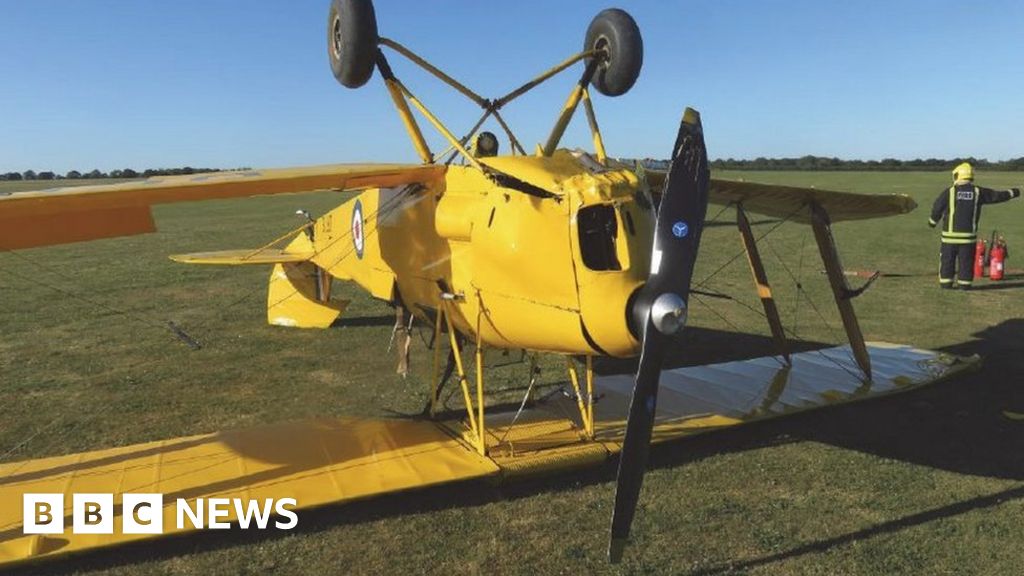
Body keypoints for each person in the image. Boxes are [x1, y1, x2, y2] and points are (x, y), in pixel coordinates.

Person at [928, 162, 1020, 289]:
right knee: (966, 262)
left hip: (949, 238)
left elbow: (937, 207)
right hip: (968, 239)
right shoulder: (978, 192)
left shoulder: (949, 192)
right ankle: (964, 284)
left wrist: (932, 222)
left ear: (957, 175)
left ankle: (945, 283)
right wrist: (1013, 192)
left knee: (947, 261)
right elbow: (996, 196)